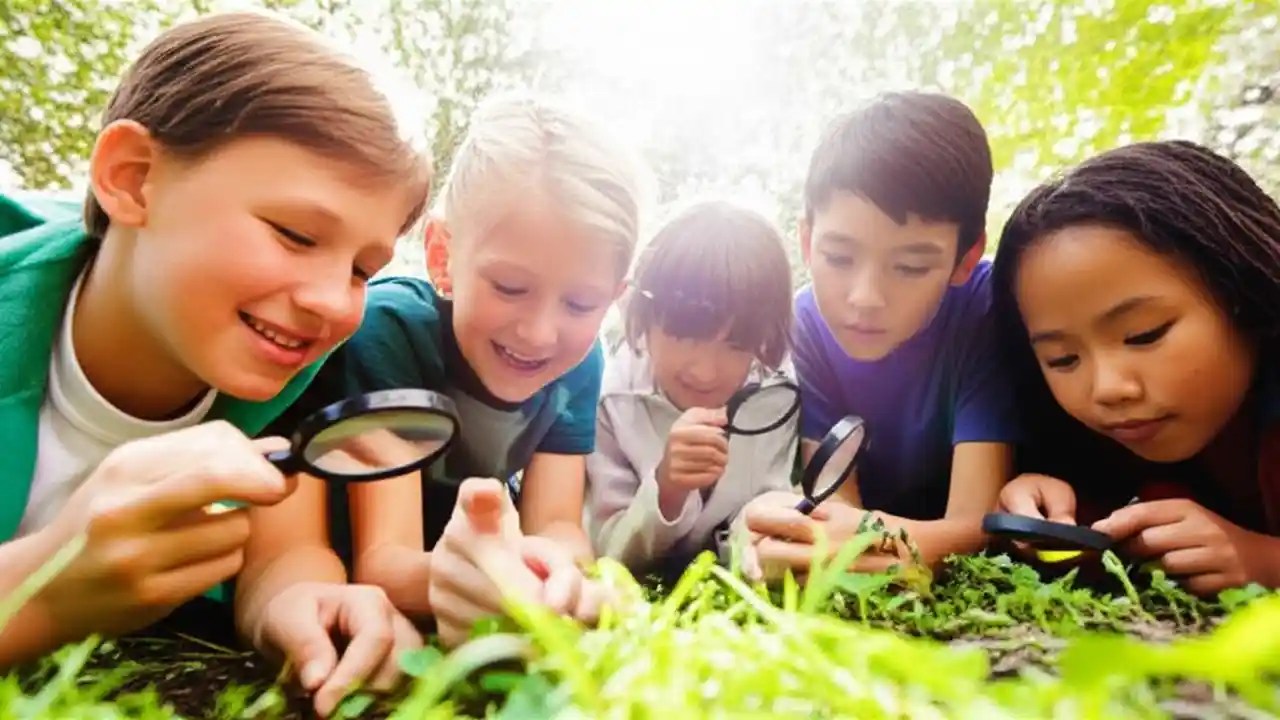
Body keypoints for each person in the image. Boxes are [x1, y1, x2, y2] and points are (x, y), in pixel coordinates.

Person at [0, 12, 433, 716]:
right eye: (295, 234)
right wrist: (41, 589)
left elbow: (282, 549)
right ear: (134, 179)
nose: (332, 301)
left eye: (362, 269)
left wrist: (300, 601)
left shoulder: (291, 369)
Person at [246, 94, 647, 647]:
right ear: (442, 256)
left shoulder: (580, 361)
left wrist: (557, 575)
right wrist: (478, 580)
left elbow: (556, 522)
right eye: (510, 287)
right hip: (313, 558)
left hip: (464, 543)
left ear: (613, 299)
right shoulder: (389, 331)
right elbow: (385, 560)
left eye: (581, 304)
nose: (540, 333)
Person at [741, 91, 1019, 578]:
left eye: (910, 267)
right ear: (806, 241)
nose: (865, 297)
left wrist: (863, 543)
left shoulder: (986, 307)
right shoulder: (806, 323)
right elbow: (835, 505)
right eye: (838, 258)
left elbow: (976, 527)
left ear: (966, 257)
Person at [992, 140, 1280, 597]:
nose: (1107, 389)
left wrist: (1264, 561)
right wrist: (1052, 512)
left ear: (1240, 293)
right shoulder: (1097, 445)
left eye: (1144, 334)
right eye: (1062, 359)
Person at [586, 201, 799, 575]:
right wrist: (667, 488)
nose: (705, 371)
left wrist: (764, 534)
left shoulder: (778, 395)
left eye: (736, 345)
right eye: (685, 335)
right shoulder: (611, 402)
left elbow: (773, 505)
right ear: (644, 315)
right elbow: (609, 552)